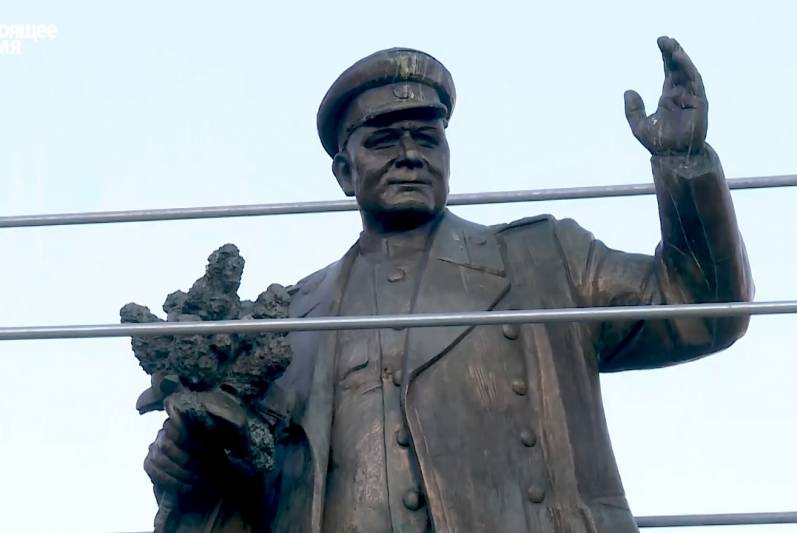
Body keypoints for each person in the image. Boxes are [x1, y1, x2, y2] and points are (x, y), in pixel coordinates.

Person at [143, 37, 754, 532]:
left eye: (427, 137)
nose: (410, 154)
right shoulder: (285, 323)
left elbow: (701, 307)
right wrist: (187, 470)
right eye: (383, 140)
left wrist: (683, 164)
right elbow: (250, 495)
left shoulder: (544, 260)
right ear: (342, 172)